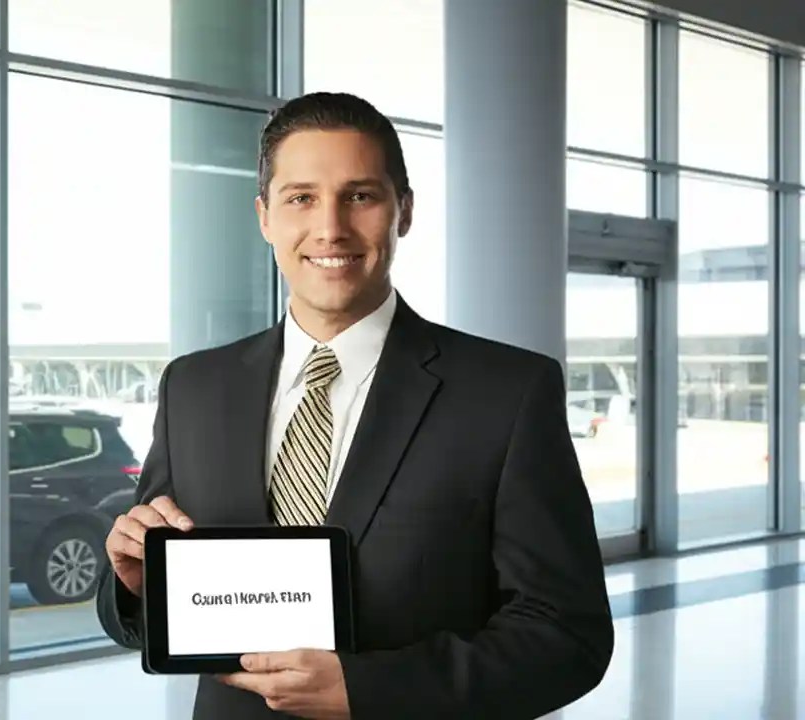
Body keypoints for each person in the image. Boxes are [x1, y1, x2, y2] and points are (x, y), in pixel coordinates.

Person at [96, 91, 614, 719]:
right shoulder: (195, 387)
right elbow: (152, 589)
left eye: (360, 196)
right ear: (265, 216)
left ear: (405, 211)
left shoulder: (506, 392)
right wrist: (134, 585)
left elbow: (567, 635)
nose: (330, 228)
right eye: (301, 198)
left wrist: (370, 691)